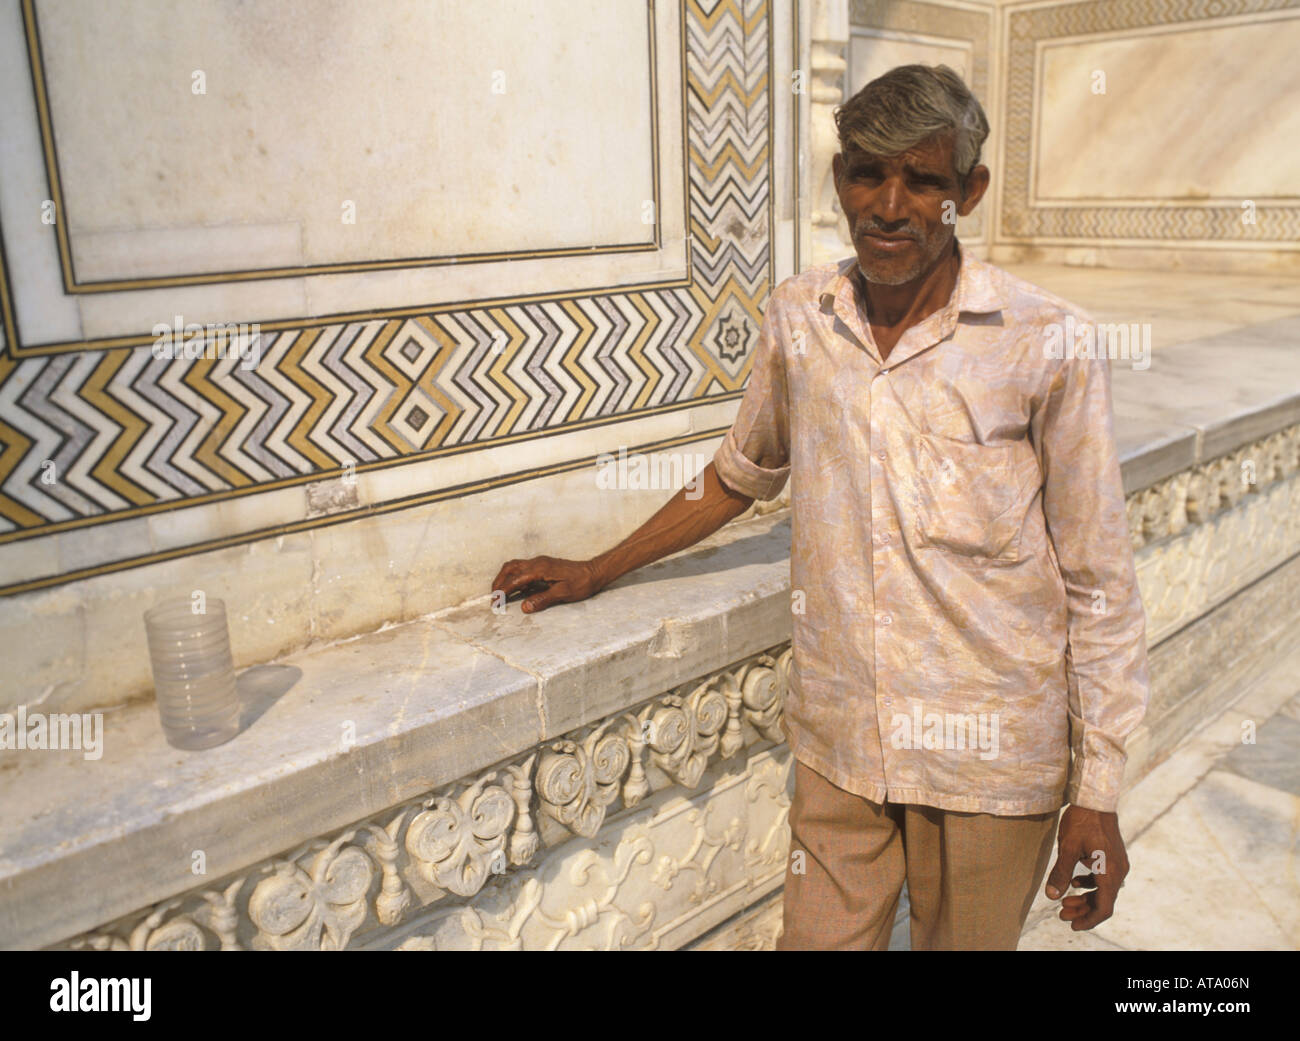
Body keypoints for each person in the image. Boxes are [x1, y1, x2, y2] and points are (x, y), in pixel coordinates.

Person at [492, 64, 1149, 950]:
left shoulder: (1047, 341)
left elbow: (1099, 577)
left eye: (921, 179)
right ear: (839, 179)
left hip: (990, 753)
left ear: (968, 191)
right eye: (865, 173)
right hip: (842, 742)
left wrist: (1099, 791)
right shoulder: (802, 316)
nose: (887, 204)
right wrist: (595, 566)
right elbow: (739, 473)